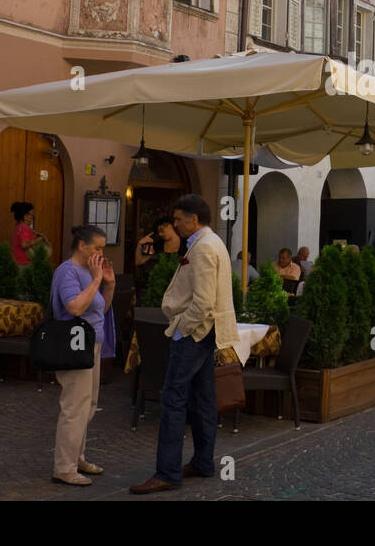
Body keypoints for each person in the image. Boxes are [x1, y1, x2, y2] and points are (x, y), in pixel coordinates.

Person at [131, 194, 238, 493]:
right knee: (203, 399)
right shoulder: (212, 242)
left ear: (194, 219)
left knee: (173, 399)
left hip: (195, 333)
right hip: (207, 333)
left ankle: (166, 472)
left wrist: (183, 329)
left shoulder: (203, 247)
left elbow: (203, 303)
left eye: (178, 219)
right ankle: (203, 462)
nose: (174, 224)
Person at [49, 225, 114, 486]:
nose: (100, 253)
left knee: (87, 404)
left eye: (102, 248)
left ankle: (77, 457)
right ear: (81, 246)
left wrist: (108, 285)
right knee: (74, 407)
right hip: (74, 346)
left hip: (92, 345)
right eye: (97, 247)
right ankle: (64, 467)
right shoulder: (68, 272)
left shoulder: (89, 271)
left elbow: (100, 309)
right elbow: (75, 307)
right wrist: (97, 280)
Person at [10, 201, 49, 267]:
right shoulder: (24, 228)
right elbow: (24, 244)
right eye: (32, 214)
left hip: (18, 261)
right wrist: (39, 239)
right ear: (25, 216)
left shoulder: (20, 227)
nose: (33, 216)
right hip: (24, 263)